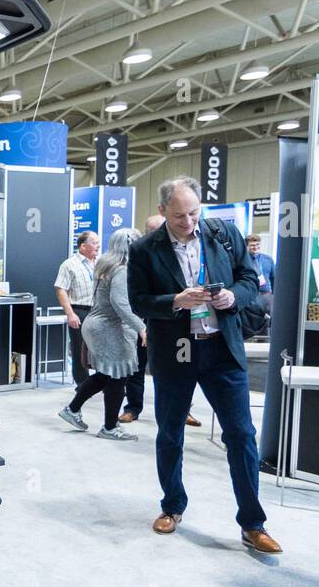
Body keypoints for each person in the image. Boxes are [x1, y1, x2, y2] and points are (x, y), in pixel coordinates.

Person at [128, 177, 281, 554]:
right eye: (179, 215)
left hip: (221, 350)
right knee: (170, 433)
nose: (188, 221)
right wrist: (176, 301)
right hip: (175, 350)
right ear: (163, 211)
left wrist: (233, 297)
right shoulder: (146, 249)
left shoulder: (223, 233)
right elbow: (138, 302)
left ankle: (253, 523)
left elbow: (250, 279)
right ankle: (172, 505)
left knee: (242, 435)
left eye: (194, 212)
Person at [59, 228, 146, 439]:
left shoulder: (105, 264)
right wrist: (141, 327)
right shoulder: (122, 269)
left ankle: (72, 409)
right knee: (118, 376)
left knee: (107, 374)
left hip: (97, 324)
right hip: (110, 328)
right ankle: (109, 427)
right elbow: (120, 303)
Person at [123, 214, 201, 428]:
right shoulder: (140, 254)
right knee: (137, 369)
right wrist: (141, 328)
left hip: (177, 330)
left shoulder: (184, 255)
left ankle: (183, 409)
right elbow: (132, 300)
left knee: (183, 370)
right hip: (142, 324)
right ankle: (132, 408)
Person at [54, 231, 101, 385]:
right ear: (82, 246)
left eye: (98, 242)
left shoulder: (100, 263)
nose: (98, 246)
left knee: (102, 347)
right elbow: (61, 289)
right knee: (80, 349)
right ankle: (83, 384)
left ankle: (103, 381)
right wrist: (70, 314)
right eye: (94, 242)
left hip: (100, 311)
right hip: (80, 310)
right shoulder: (69, 264)